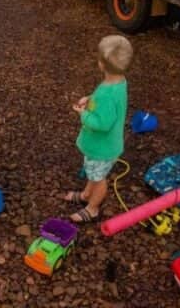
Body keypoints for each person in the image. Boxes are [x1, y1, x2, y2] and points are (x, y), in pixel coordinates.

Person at [63, 35, 132, 223]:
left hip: (102, 148)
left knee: (99, 178)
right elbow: (103, 100)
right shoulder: (117, 82)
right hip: (104, 146)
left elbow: (102, 124)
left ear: (102, 64)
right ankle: (86, 195)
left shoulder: (109, 94)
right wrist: (90, 98)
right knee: (93, 172)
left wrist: (83, 114)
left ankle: (92, 208)